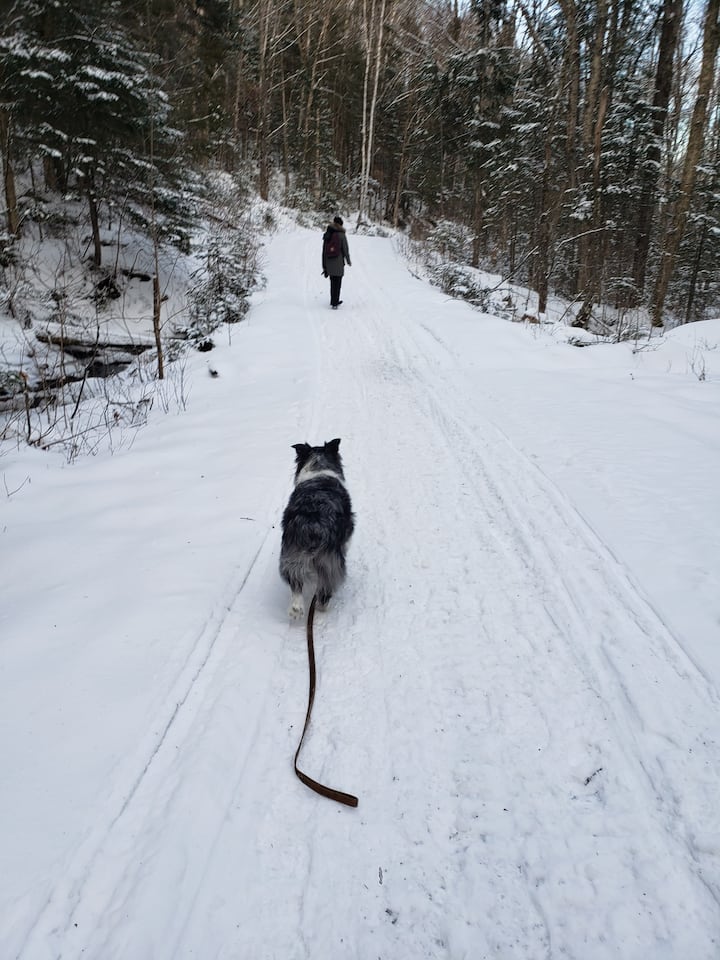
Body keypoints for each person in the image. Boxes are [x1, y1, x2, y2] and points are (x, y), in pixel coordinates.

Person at [322, 215, 351, 309]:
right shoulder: (342, 234)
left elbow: (324, 251)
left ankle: (333, 300)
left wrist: (324, 265)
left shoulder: (328, 234)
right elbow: (345, 249)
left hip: (329, 262)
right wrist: (348, 260)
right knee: (338, 283)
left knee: (332, 282)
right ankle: (335, 302)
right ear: (341, 224)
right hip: (338, 262)